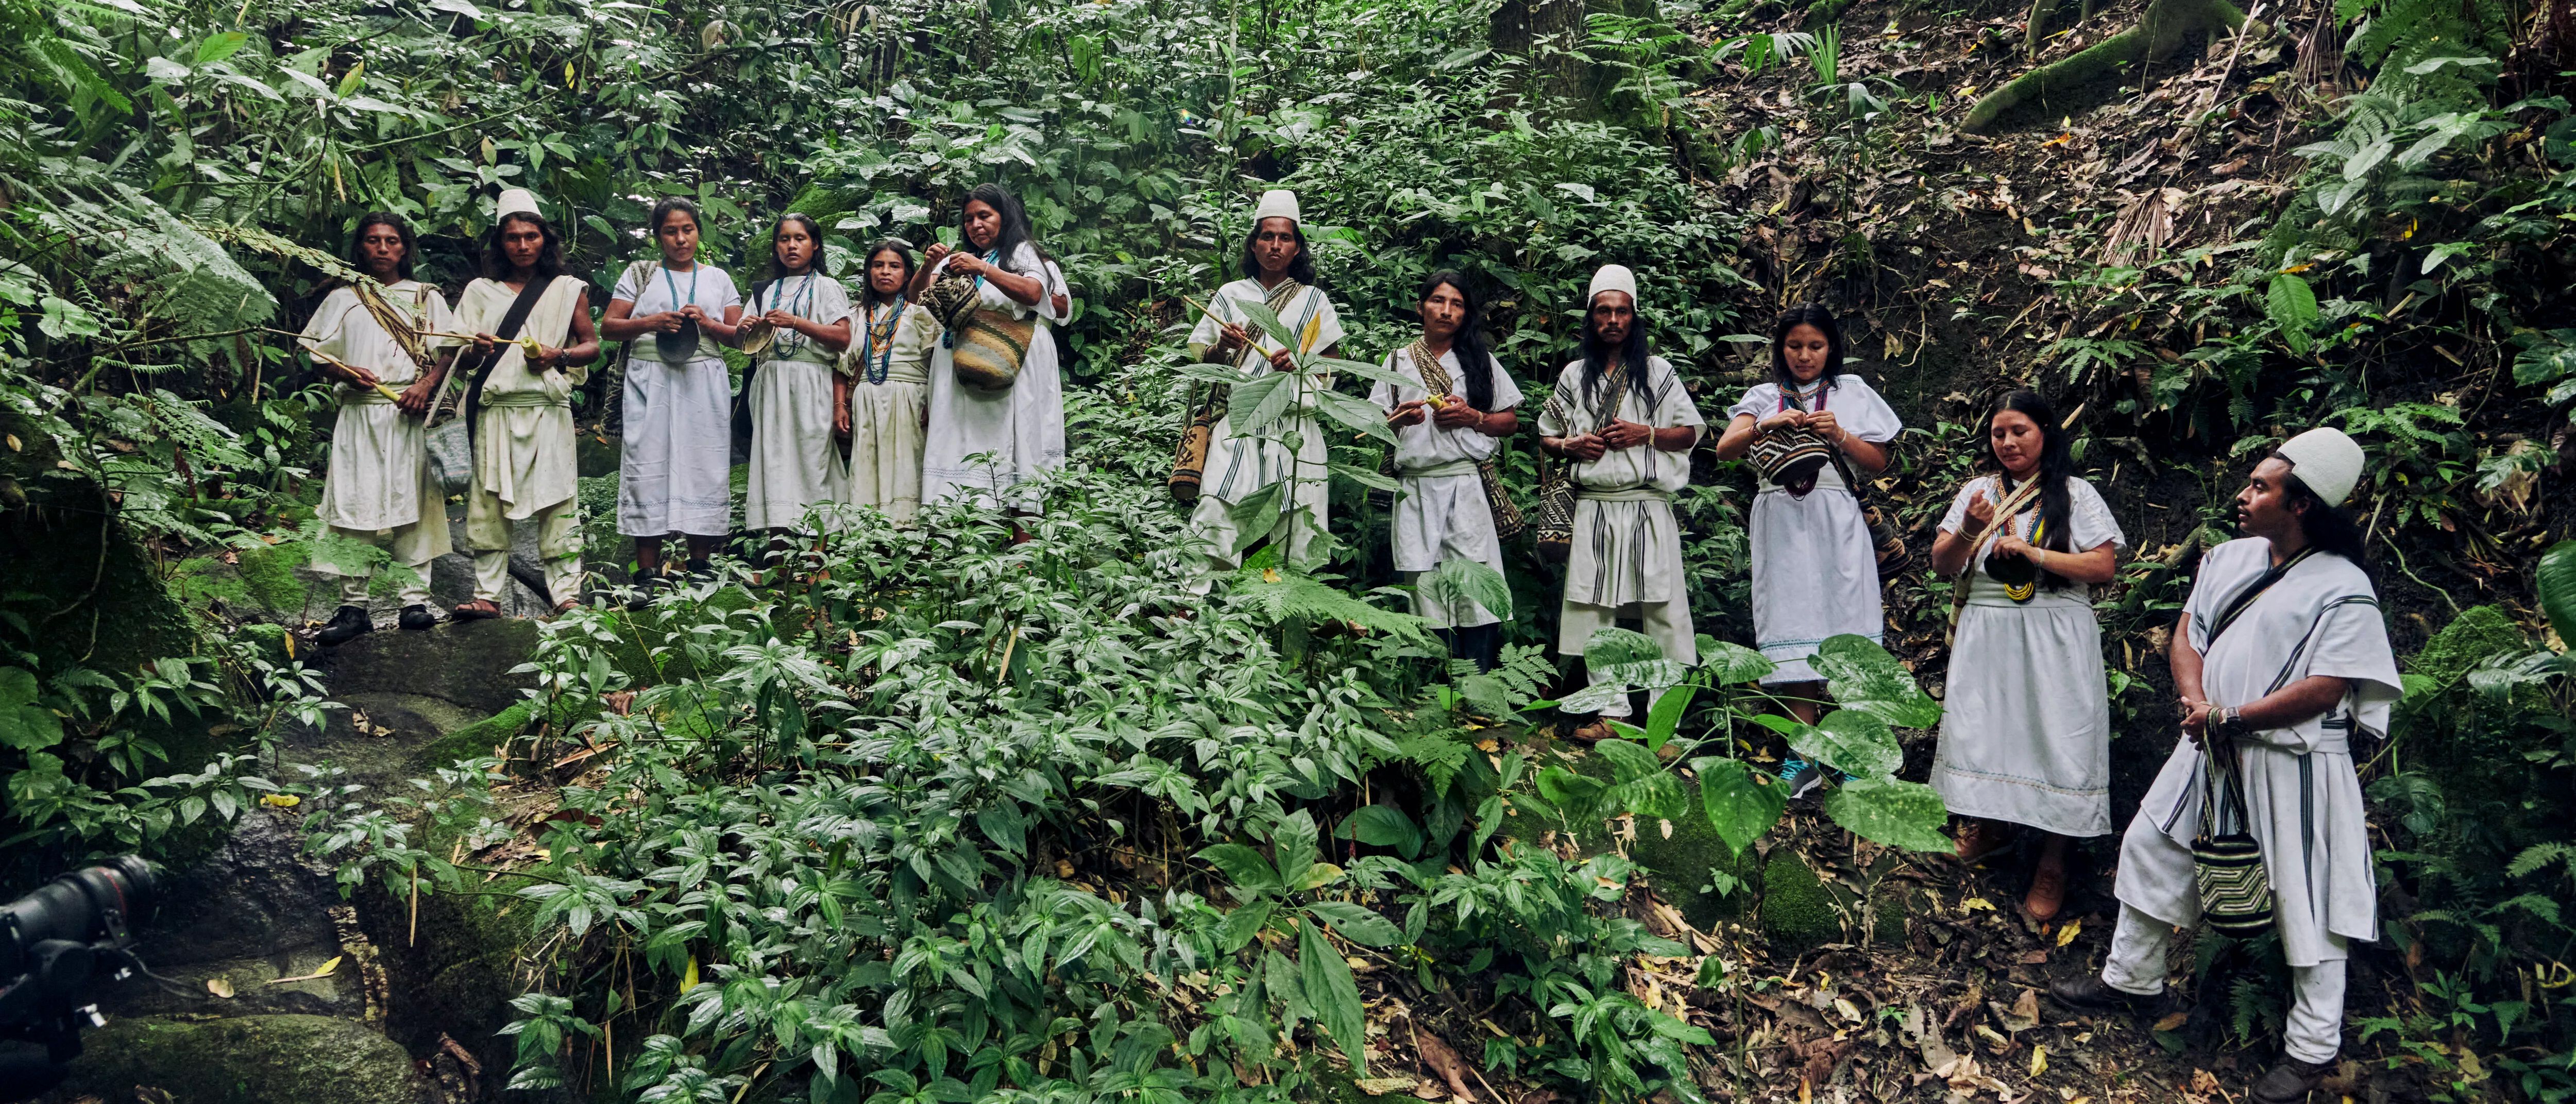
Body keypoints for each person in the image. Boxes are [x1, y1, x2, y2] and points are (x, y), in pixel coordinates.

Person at [2050, 427, 2398, 1104]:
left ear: (2299, 505)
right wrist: (2199, 701)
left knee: (2311, 894)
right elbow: (2189, 632)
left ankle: (2311, 1048)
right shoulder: (2232, 557)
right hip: (2210, 739)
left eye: (2261, 486)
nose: (2243, 495)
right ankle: (2133, 977)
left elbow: (2328, 685)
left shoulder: (2343, 584)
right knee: (2151, 843)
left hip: (2292, 759)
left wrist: (2233, 718)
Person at [1926, 391, 2125, 921]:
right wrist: (1970, 527)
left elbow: (2103, 567)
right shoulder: (1977, 492)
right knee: (1986, 726)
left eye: (2020, 431)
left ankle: (2052, 862)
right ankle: (1987, 827)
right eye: (1998, 434)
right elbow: (1942, 564)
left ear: (2045, 432)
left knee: (2059, 735)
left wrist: (2034, 553)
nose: (2008, 442)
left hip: (2054, 627)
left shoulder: (2073, 494)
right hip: (1987, 625)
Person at [1711, 303, 1901, 777]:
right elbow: (1724, 449)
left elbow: (1879, 461)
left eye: (1815, 345)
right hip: (1781, 522)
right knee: (1797, 629)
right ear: (1780, 348)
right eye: (1794, 345)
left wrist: (1839, 432)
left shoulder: (1851, 392)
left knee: (1847, 622)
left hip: (1837, 518)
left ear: (1831, 348)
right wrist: (1763, 426)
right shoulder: (1762, 395)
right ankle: (1804, 754)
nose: (1804, 355)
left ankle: (1853, 752)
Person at [1535, 265, 1705, 739]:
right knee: (1594, 610)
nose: (1613, 319)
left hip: (1649, 505)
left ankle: (1663, 724)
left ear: (1634, 317)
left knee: (1665, 612)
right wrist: (1573, 446)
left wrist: (1643, 433)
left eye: (1622, 311)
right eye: (1603, 311)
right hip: (1594, 506)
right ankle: (1611, 713)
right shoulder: (1574, 376)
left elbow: (1690, 432)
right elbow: (1546, 434)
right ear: (1591, 319)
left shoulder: (1659, 373)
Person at [303, 214, 459, 643]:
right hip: (358, 412)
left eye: (392, 241)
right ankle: (354, 606)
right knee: (353, 504)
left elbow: (451, 349)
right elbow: (317, 353)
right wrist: (346, 371)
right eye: (373, 241)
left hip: (410, 413)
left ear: (405, 249)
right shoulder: (342, 298)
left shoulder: (426, 297)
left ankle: (415, 601)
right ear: (361, 248)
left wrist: (424, 386)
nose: (383, 248)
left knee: (417, 504)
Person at [450, 189, 600, 619]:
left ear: (544, 240)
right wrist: (475, 349)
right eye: (512, 238)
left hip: (547, 407)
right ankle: (487, 595)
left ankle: (566, 593)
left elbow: (592, 345)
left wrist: (561, 355)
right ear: (501, 243)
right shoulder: (480, 291)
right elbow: (463, 358)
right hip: (496, 409)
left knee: (559, 501)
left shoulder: (568, 289)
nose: (522, 246)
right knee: (487, 502)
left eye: (530, 237)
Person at [1184, 190, 1345, 577]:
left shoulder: (1314, 301)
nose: (1275, 245)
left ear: (1297, 248)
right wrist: (1223, 347)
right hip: (1237, 423)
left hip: (1295, 426)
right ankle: (1194, 607)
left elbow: (1332, 366)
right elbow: (1201, 357)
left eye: (1285, 238)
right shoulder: (1229, 295)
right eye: (1267, 237)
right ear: (1254, 245)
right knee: (1215, 509)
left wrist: (1300, 363)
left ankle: (1291, 618)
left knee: (1299, 523)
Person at [1371, 271, 1521, 670]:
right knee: (1421, 581)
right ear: (1421, 306)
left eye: (1457, 304)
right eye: (1439, 300)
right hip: (1415, 487)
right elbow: (1374, 423)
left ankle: (1479, 682)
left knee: (1475, 580)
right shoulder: (1397, 361)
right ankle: (1432, 686)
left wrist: (1474, 417)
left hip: (1464, 484)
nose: (1447, 310)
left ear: (1466, 313)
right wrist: (1399, 420)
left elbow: (1509, 422)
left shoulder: (1479, 361)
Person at [603, 197, 742, 600]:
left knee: (705, 464)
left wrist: (709, 323)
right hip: (651, 379)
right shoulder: (640, 274)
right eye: (670, 231)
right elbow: (610, 326)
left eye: (688, 230)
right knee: (647, 464)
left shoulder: (718, 279)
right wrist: (651, 322)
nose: (680, 239)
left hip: (703, 380)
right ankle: (647, 573)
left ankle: (700, 566)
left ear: (699, 231)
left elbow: (739, 336)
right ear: (658, 236)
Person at [911, 184, 1070, 519]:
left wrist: (982, 269)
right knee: (958, 438)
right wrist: (929, 267)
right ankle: (962, 532)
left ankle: (1022, 540)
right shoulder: (965, 259)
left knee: (1014, 438)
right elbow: (916, 299)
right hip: (958, 361)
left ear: (1004, 215)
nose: (976, 225)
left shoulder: (1023, 253)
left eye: (985, 215)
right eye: (969, 219)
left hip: (1008, 354)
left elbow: (1033, 293)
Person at [740, 213, 853, 552]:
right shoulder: (766, 291)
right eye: (785, 239)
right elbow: (741, 344)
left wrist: (796, 322)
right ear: (776, 247)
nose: (792, 245)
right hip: (771, 382)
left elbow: (843, 337)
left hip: (811, 380)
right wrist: (744, 327)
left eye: (800, 238)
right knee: (772, 462)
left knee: (812, 462)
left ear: (815, 245)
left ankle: (817, 556)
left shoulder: (826, 286)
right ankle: (780, 559)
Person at [836, 239, 935, 525]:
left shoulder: (921, 313)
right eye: (878, 265)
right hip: (866, 401)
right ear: (868, 272)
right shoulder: (855, 316)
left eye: (895, 266)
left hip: (911, 399)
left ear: (907, 273)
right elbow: (842, 367)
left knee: (908, 464)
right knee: (868, 464)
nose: (885, 272)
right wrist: (840, 406)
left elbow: (937, 363)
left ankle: (909, 534)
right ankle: (869, 538)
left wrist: (934, 401)